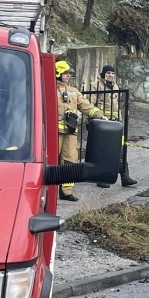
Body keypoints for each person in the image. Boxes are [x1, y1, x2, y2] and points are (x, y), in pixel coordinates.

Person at [56, 60, 104, 202]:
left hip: (70, 132)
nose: (68, 75)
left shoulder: (74, 92)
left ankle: (66, 192)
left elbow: (86, 106)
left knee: (70, 161)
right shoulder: (48, 89)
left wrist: (100, 115)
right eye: (65, 73)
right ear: (57, 73)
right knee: (51, 162)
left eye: (69, 73)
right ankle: (48, 191)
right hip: (53, 133)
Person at [92, 65, 137, 189]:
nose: (110, 75)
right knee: (104, 152)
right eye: (108, 73)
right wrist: (97, 118)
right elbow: (91, 104)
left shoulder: (116, 86)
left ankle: (125, 176)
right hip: (103, 122)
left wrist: (121, 120)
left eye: (112, 73)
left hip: (116, 122)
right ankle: (101, 178)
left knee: (121, 150)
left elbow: (117, 106)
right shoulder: (96, 85)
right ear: (103, 74)